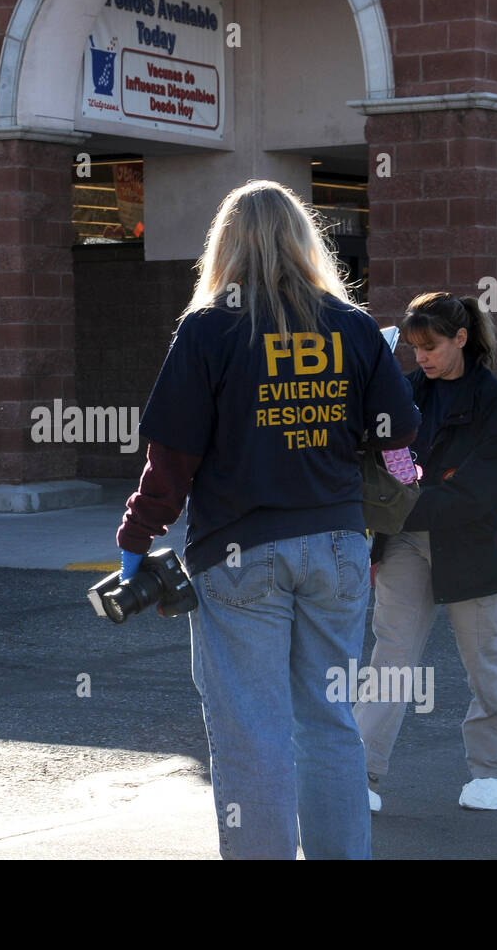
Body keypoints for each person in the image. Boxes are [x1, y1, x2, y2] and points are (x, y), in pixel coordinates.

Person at [116, 180, 420, 859]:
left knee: (253, 733)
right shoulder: (351, 325)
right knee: (331, 724)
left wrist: (138, 536)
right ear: (304, 240)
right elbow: (398, 436)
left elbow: (172, 458)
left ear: (225, 245)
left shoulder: (209, 329)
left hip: (239, 551)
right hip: (340, 547)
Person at [355, 293, 497, 814]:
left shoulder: (492, 399)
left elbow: (488, 484)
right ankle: (359, 774)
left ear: (461, 338)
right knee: (391, 657)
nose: (421, 357)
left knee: (484, 662)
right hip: (410, 537)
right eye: (413, 347)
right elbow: (380, 449)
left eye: (431, 346)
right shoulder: (408, 389)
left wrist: (406, 507)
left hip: (470, 546)